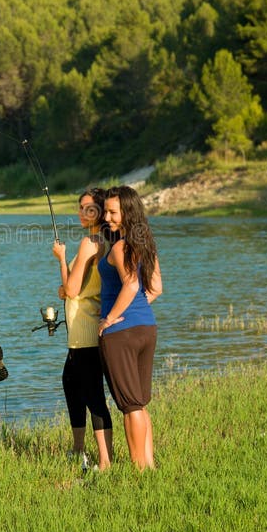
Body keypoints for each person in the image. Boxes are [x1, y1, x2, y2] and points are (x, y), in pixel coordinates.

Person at [98, 185, 162, 470]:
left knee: (130, 405)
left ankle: (139, 471)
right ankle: (148, 466)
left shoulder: (121, 246)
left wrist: (110, 318)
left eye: (113, 212)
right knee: (140, 403)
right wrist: (137, 309)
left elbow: (132, 283)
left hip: (121, 334)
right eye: (106, 211)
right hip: (146, 327)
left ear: (127, 212)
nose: (107, 217)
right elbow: (156, 288)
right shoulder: (145, 243)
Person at [52, 188, 113, 471]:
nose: (82, 213)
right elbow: (72, 289)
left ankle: (105, 461)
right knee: (71, 385)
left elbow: (73, 289)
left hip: (86, 332)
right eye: (80, 207)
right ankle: (78, 450)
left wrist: (61, 259)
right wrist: (66, 288)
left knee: (92, 396)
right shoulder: (103, 241)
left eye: (89, 208)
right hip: (80, 332)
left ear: (100, 212)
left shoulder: (91, 242)